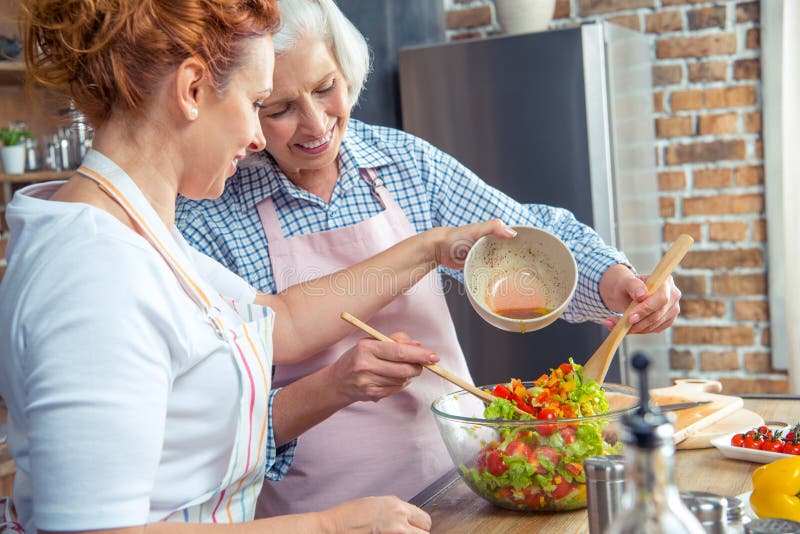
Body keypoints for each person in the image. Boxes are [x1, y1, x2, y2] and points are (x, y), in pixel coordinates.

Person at [0, 0, 518, 532]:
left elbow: (285, 321)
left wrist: (431, 248)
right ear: (192, 90)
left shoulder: (142, 233)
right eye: (257, 103)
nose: (255, 140)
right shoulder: (94, 274)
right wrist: (328, 527)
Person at [175, 0, 684, 517]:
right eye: (279, 108)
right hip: (322, 516)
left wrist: (611, 281)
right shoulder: (210, 214)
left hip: (461, 489)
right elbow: (222, 428)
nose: (314, 124)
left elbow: (525, 236)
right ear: (245, 108)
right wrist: (333, 386)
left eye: (326, 88)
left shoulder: (403, 164)